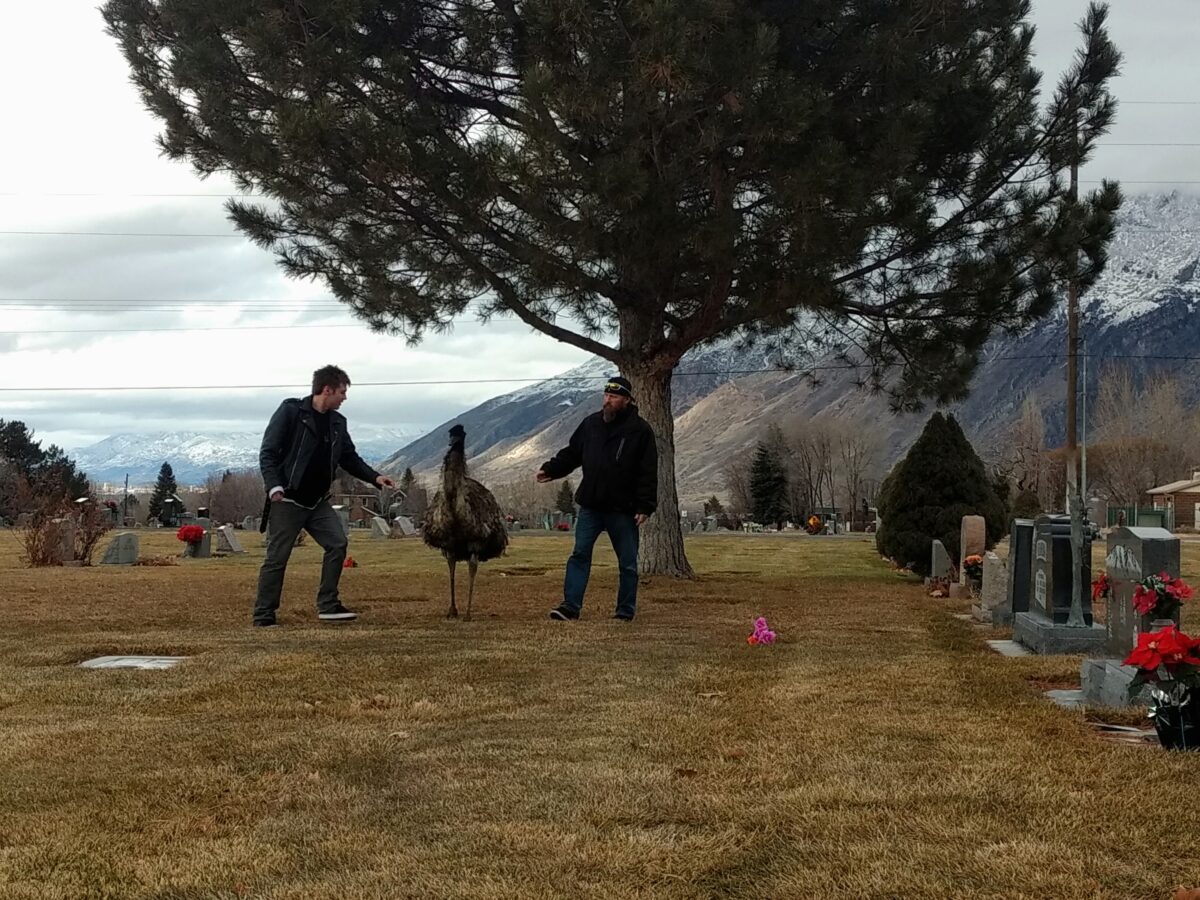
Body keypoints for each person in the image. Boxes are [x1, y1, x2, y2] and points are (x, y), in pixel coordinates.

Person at [253, 365, 395, 626]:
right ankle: (264, 614)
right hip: (287, 500)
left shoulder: (338, 423)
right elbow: (268, 453)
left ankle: (328, 605)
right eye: (342, 392)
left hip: (317, 502)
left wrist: (375, 477)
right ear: (327, 389)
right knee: (277, 557)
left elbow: (349, 457)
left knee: (337, 543)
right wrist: (274, 486)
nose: (345, 397)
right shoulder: (291, 412)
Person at [536, 376, 658, 621]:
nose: (607, 401)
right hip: (591, 505)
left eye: (613, 397)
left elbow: (648, 471)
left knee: (627, 563)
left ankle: (625, 611)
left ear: (627, 399)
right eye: (606, 396)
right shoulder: (591, 424)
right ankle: (570, 606)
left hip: (623, 508)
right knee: (580, 554)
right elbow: (572, 453)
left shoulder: (640, 431)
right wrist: (552, 469)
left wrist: (645, 506)